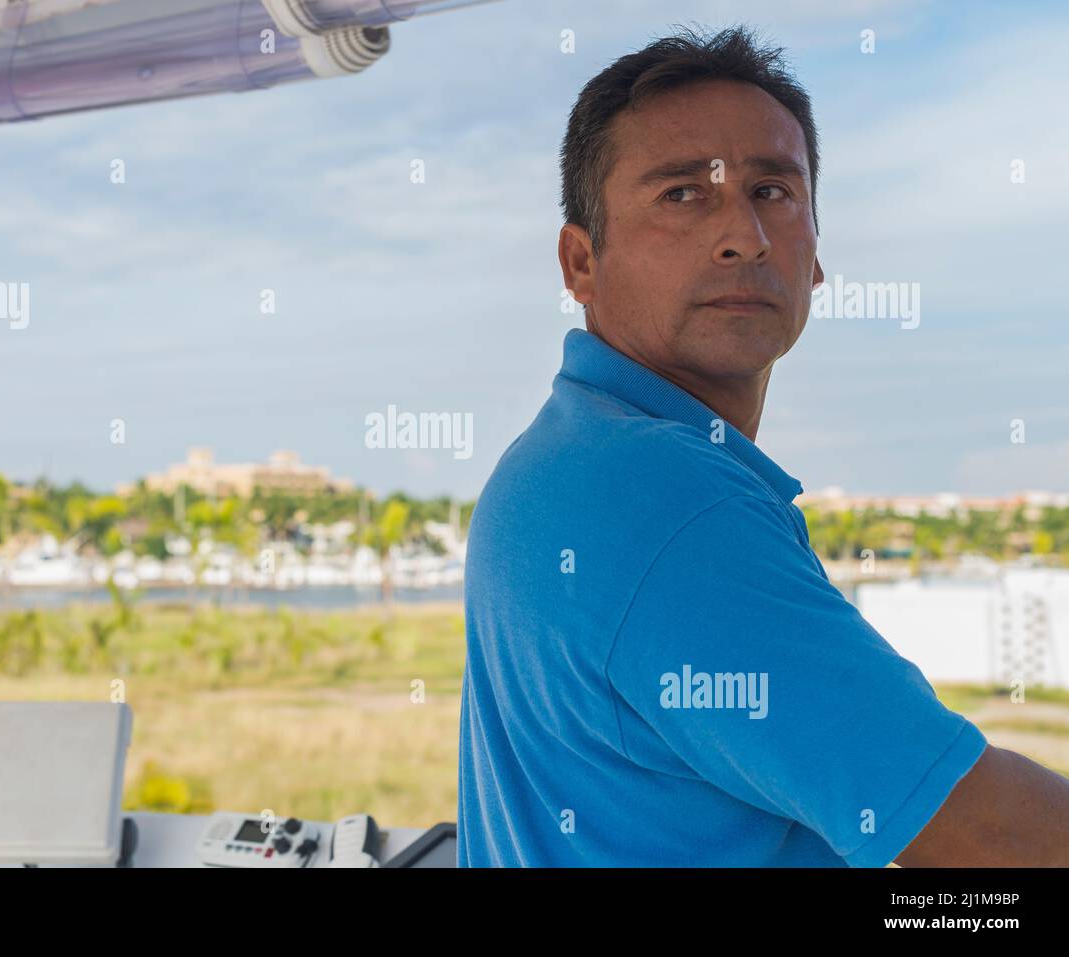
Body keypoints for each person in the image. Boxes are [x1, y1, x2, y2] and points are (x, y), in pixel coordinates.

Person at [456, 24, 1069, 867]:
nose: (741, 234)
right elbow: (993, 835)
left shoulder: (566, 455)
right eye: (682, 194)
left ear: (816, 255)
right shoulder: (662, 496)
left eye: (773, 192)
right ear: (581, 261)